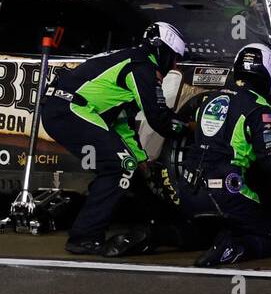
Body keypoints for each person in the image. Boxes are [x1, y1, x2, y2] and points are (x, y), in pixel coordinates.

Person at [39, 22, 189, 256]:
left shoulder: (131, 58)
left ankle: (158, 222)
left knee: (129, 167)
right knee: (119, 167)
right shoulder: (142, 67)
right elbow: (160, 119)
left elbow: (121, 122)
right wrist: (191, 129)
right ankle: (84, 237)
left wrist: (141, 160)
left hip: (64, 108)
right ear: (162, 51)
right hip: (70, 109)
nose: (175, 65)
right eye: (174, 58)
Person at [172, 43, 271, 267]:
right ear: (266, 71)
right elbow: (270, 161)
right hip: (226, 192)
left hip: (187, 191)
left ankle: (157, 235)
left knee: (201, 234)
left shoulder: (208, 99)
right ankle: (233, 248)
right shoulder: (258, 106)